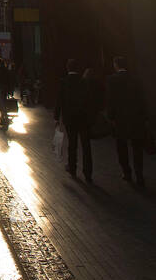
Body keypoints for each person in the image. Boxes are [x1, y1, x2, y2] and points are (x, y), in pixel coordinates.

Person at [106, 55, 148, 188]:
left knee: (122, 147)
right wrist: (144, 116)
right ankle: (139, 174)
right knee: (137, 148)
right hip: (136, 118)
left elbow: (111, 100)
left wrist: (111, 117)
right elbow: (141, 99)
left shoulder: (112, 80)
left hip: (120, 119)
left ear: (116, 65)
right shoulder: (135, 79)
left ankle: (127, 172)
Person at [54, 58, 96, 182]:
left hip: (69, 118)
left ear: (68, 68)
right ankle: (88, 173)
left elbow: (59, 101)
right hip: (83, 118)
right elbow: (89, 101)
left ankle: (72, 168)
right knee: (86, 145)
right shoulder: (84, 82)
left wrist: (56, 117)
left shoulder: (63, 82)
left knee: (72, 144)